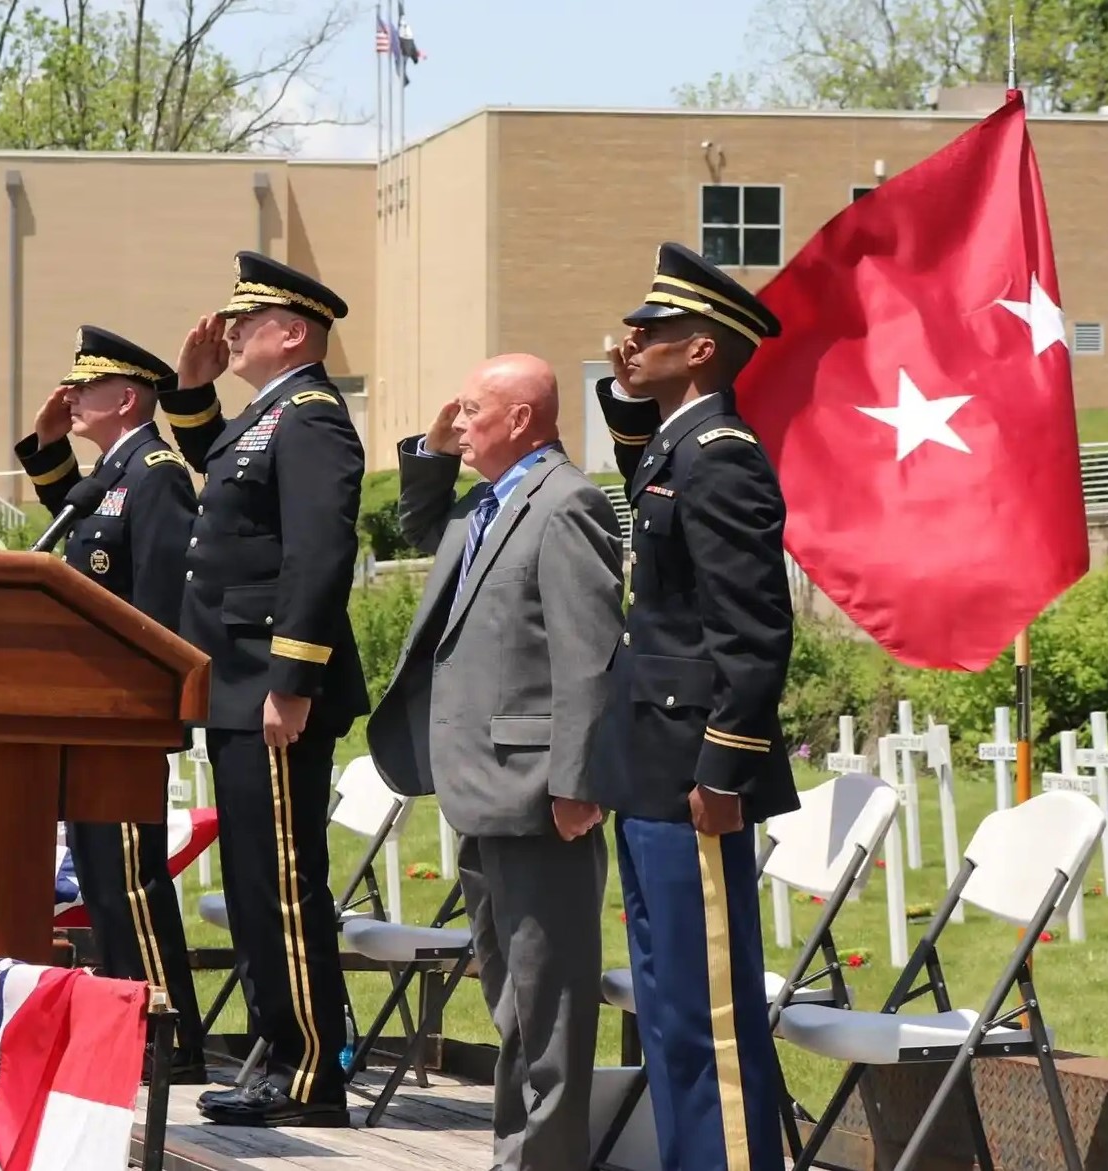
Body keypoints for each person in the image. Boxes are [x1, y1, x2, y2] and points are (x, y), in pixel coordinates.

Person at [366, 354, 622, 1171]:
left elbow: (589, 656)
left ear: (520, 419)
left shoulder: (565, 503)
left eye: (473, 410)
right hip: (480, 786)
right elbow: (418, 526)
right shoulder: (486, 504)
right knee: (512, 996)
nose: (459, 419)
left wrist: (577, 780)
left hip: (536, 790)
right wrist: (435, 450)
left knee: (548, 1000)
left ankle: (541, 1160)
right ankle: (518, 1151)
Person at [592, 241, 799, 1171]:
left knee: (709, 1008)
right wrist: (627, 392)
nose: (631, 339)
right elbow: (648, 487)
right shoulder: (678, 442)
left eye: (656, 328)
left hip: (693, 771)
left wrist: (725, 767)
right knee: (668, 1000)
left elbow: (753, 632)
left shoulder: (722, 459)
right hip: (650, 762)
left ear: (703, 348)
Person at [162, 251, 368, 1128]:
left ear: (293, 332)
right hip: (239, 684)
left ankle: (310, 1071)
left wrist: (293, 681)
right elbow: (224, 468)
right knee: (251, 882)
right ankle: (274, 1050)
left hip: (273, 689)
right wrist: (191, 388)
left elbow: (317, 555)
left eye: (247, 323)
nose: (231, 331)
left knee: (283, 882)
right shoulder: (269, 414)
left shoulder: (314, 417)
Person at [15, 324, 207, 1083]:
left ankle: (172, 1036)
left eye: (84, 389)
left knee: (130, 877)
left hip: (125, 714)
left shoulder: (155, 470)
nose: (70, 397)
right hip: (93, 712)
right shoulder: (115, 472)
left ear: (124, 398)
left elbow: (157, 599)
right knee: (102, 878)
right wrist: (48, 442)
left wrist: (152, 702)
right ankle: (137, 1024)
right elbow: (79, 530)